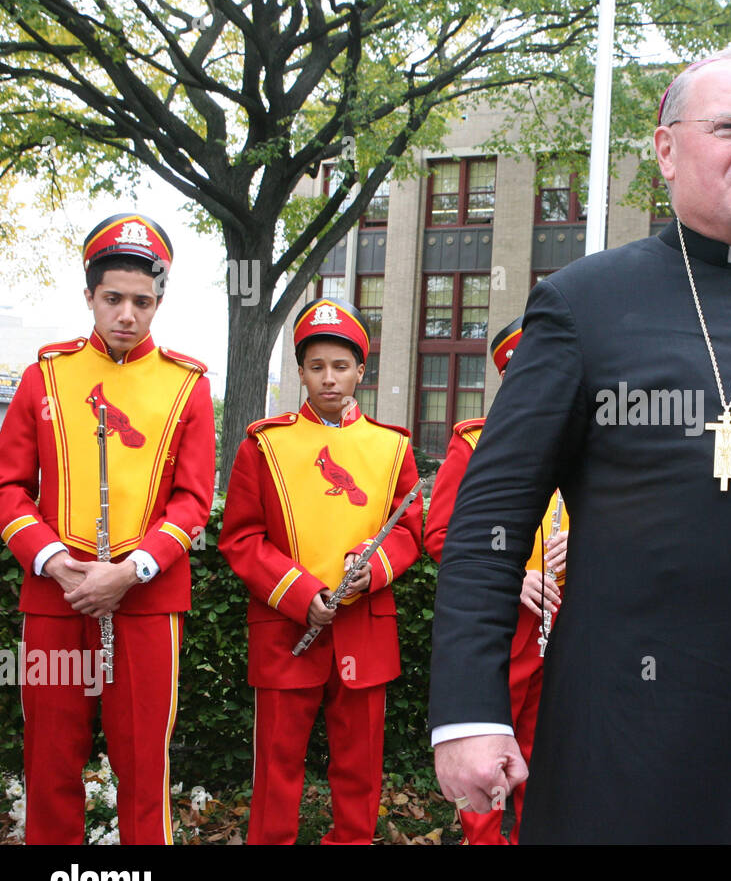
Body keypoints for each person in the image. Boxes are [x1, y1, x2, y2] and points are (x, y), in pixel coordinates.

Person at [427, 46, 731, 844]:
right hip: (646, 746)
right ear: (665, 149)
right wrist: (467, 714)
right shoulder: (583, 304)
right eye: (729, 127)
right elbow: (491, 522)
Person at [0, 212, 215, 844]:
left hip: (146, 601)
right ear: (88, 296)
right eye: (113, 298)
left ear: (160, 302)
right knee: (49, 764)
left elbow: (193, 501)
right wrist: (56, 563)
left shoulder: (189, 385)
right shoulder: (45, 375)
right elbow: (9, 488)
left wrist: (130, 570)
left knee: (144, 766)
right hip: (56, 597)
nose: (127, 314)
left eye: (142, 301)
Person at [219, 297, 422, 844]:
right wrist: (299, 592)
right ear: (301, 371)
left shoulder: (392, 446)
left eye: (340, 366)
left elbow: (409, 530)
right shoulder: (264, 444)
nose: (329, 379)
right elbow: (240, 537)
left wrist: (372, 567)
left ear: (361, 369)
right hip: (286, 628)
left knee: (360, 769)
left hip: (366, 626)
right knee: (276, 770)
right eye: (316, 366)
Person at [423, 317, 569, 844]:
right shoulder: (474, 443)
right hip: (504, 629)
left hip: (570, 626)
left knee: (545, 751)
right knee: (486, 752)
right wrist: (517, 579)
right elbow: (440, 533)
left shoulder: (591, 444)